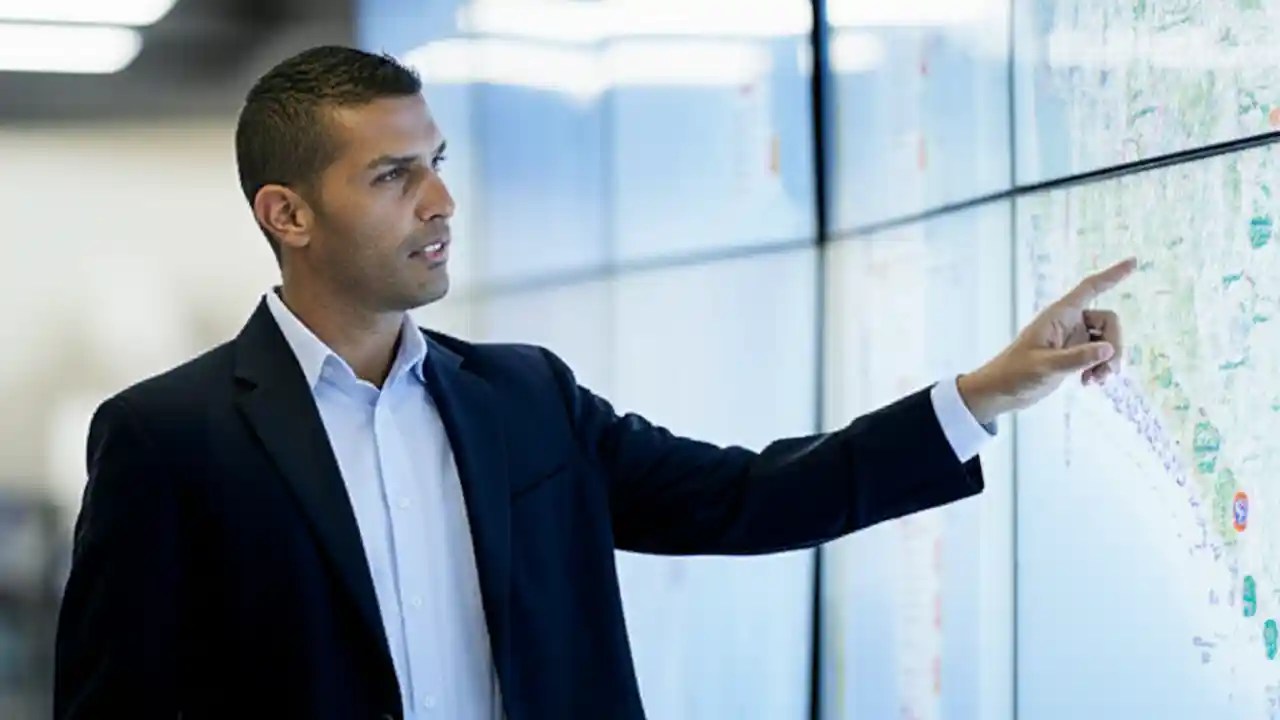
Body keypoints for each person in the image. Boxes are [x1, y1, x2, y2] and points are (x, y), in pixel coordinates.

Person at [52, 46, 1134, 720]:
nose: (439, 200)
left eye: (436, 162)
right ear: (285, 214)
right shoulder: (167, 436)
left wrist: (984, 392)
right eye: (393, 176)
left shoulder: (523, 399)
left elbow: (747, 497)